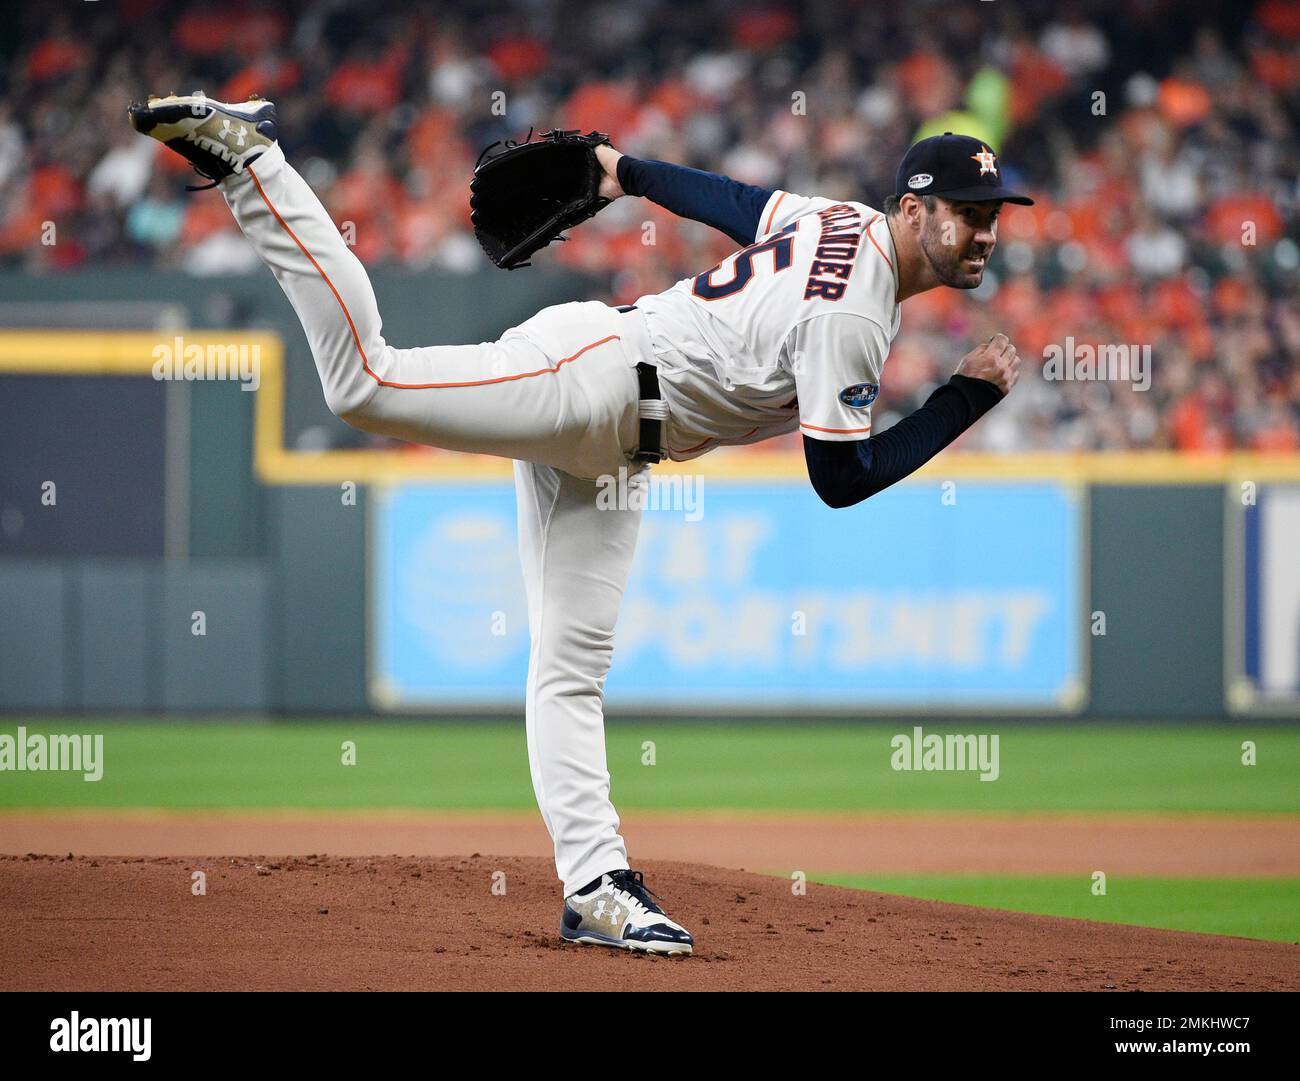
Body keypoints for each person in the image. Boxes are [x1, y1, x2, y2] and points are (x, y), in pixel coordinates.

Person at [129, 92, 1029, 957]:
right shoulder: (857, 312)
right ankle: (257, 164)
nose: (987, 229)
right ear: (914, 209)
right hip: (595, 377)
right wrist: (964, 398)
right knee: (365, 382)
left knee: (570, 669)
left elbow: (738, 203)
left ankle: (596, 887)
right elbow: (840, 477)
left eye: (995, 213)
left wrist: (623, 169)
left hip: (618, 442)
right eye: (968, 210)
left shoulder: (836, 219)